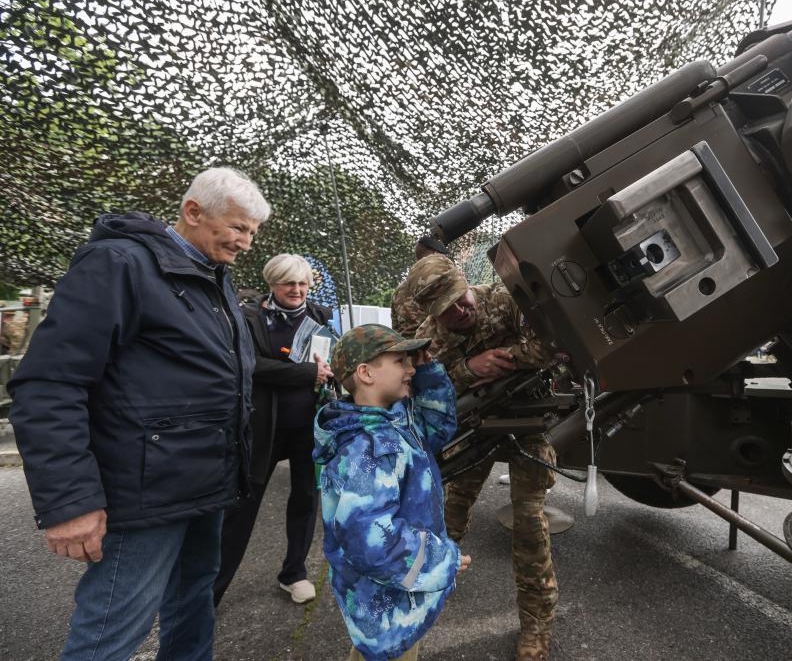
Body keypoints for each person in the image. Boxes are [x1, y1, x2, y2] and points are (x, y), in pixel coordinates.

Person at [8, 167, 270, 660]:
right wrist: (70, 502)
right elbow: (49, 383)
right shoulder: (120, 264)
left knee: (192, 601)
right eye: (237, 227)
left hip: (203, 487)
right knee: (112, 630)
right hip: (144, 496)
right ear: (193, 212)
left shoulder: (214, 281)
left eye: (252, 232)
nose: (245, 242)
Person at [409, 256, 558, 661]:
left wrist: (505, 355)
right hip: (473, 426)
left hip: (529, 419)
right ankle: (428, 591)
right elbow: (420, 384)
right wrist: (467, 368)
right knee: (449, 510)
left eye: (461, 299)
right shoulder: (430, 337)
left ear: (466, 283)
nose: (460, 312)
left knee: (528, 521)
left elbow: (551, 346)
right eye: (448, 311)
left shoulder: (507, 302)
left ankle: (536, 625)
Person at [313, 324, 471, 661]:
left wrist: (428, 372)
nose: (411, 368)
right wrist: (445, 560)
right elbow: (376, 545)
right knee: (391, 653)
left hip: (395, 595)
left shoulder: (394, 419)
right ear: (366, 373)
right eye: (401, 361)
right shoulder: (365, 450)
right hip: (385, 603)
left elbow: (438, 427)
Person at [214, 254, 335, 606]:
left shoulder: (320, 317)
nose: (296, 290)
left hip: (308, 428)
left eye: (302, 283)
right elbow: (249, 365)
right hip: (262, 428)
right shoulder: (249, 316)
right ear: (272, 284)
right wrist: (305, 373)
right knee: (243, 507)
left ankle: (293, 573)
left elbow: (331, 365)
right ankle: (211, 591)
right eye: (288, 283)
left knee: (305, 501)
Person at [390, 234, 451, 338]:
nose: (444, 259)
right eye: (443, 256)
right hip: (434, 348)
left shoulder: (399, 291)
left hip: (408, 349)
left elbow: (396, 329)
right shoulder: (438, 283)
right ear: (435, 254)